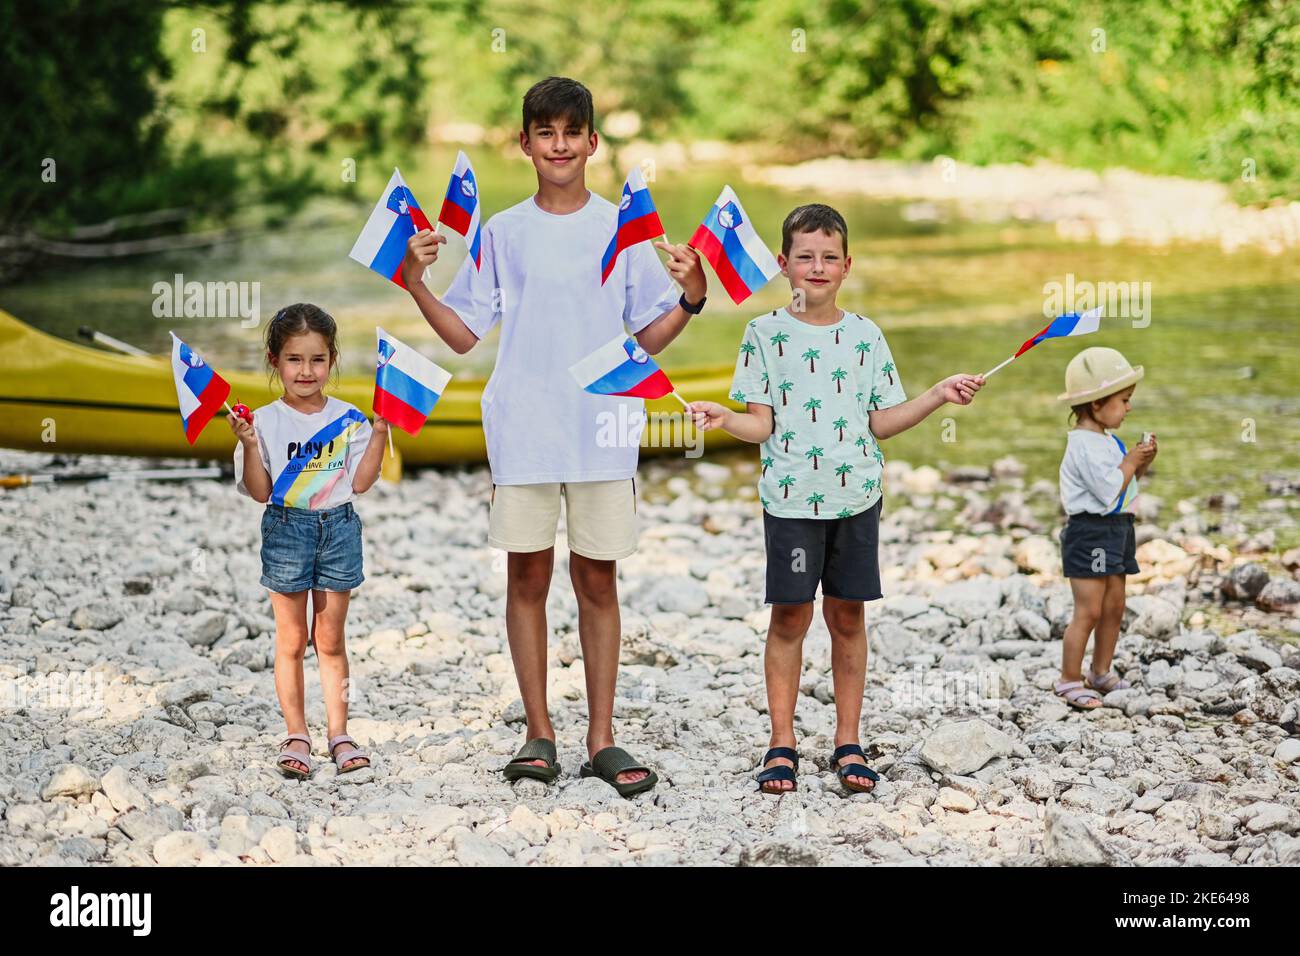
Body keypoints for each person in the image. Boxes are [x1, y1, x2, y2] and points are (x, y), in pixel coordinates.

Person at [398, 76, 707, 797]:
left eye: (573, 132)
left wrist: (692, 297)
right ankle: (539, 732)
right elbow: (468, 333)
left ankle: (602, 738)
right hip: (525, 428)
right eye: (546, 133)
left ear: (593, 142)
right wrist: (416, 285)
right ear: (526, 144)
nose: (560, 145)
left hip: (603, 426)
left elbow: (649, 336)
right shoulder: (502, 232)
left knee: (597, 577)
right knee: (527, 577)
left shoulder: (622, 231)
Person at [689, 204, 984, 795]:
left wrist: (936, 395)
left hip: (857, 500)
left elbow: (882, 422)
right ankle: (782, 742)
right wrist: (724, 418)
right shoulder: (764, 335)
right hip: (792, 500)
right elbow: (761, 428)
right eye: (805, 256)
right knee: (790, 616)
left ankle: (848, 740)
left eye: (829, 257)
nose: (817, 267)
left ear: (847, 266)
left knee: (848, 615)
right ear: (783, 264)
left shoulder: (866, 336)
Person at [229, 303, 388, 777]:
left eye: (317, 359)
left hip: (338, 528)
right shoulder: (262, 422)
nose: (306, 370)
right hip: (286, 529)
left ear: (332, 360)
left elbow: (361, 482)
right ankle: (296, 732)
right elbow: (260, 492)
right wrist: (250, 444)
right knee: (292, 639)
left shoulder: (351, 419)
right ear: (274, 360)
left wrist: (380, 430)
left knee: (331, 640)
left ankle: (339, 733)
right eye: (295, 359)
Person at [1053, 346, 1156, 710]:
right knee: (1090, 609)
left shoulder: (1106, 440)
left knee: (1115, 605)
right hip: (1091, 532)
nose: (1129, 408)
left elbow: (1124, 486)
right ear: (1096, 404)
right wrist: (1130, 461)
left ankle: (1100, 671)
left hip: (1117, 529)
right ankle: (1068, 679)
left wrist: (1140, 464)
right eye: (1123, 400)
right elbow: (1109, 490)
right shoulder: (1083, 445)